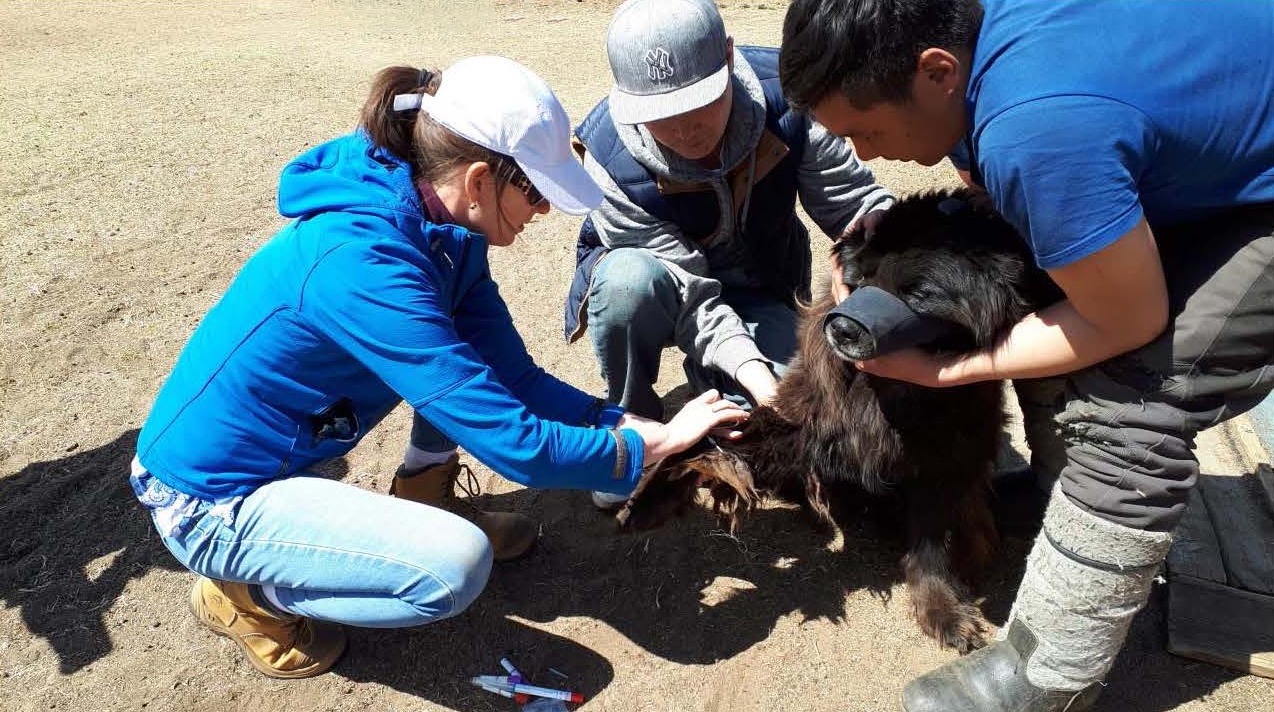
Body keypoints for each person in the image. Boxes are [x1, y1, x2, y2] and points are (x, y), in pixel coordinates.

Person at [129, 55, 748, 680]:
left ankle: (426, 492)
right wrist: (645, 446)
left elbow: (512, 381)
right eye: (534, 192)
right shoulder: (362, 261)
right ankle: (241, 592)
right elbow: (516, 445)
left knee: (459, 375)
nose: (539, 213)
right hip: (211, 497)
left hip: (289, 450)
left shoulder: (446, 234)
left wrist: (620, 420)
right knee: (453, 570)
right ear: (479, 180)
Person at [779, 1, 1274, 710]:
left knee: (1136, 393)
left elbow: (1127, 318)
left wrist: (947, 369)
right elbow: (1022, 202)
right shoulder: (985, 43)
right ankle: (1060, 501)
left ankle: (1045, 677)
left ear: (936, 72)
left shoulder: (1034, 125)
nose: (860, 154)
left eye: (865, 130)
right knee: (1053, 286)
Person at [565, 0, 895, 508]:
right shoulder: (609, 158)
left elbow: (850, 202)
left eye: (697, 105)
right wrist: (755, 376)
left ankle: (715, 383)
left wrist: (886, 231)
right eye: (659, 116)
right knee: (628, 281)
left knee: (811, 407)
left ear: (727, 56)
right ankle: (633, 430)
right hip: (665, 289)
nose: (682, 131)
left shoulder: (789, 100)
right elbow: (692, 296)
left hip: (761, 282)